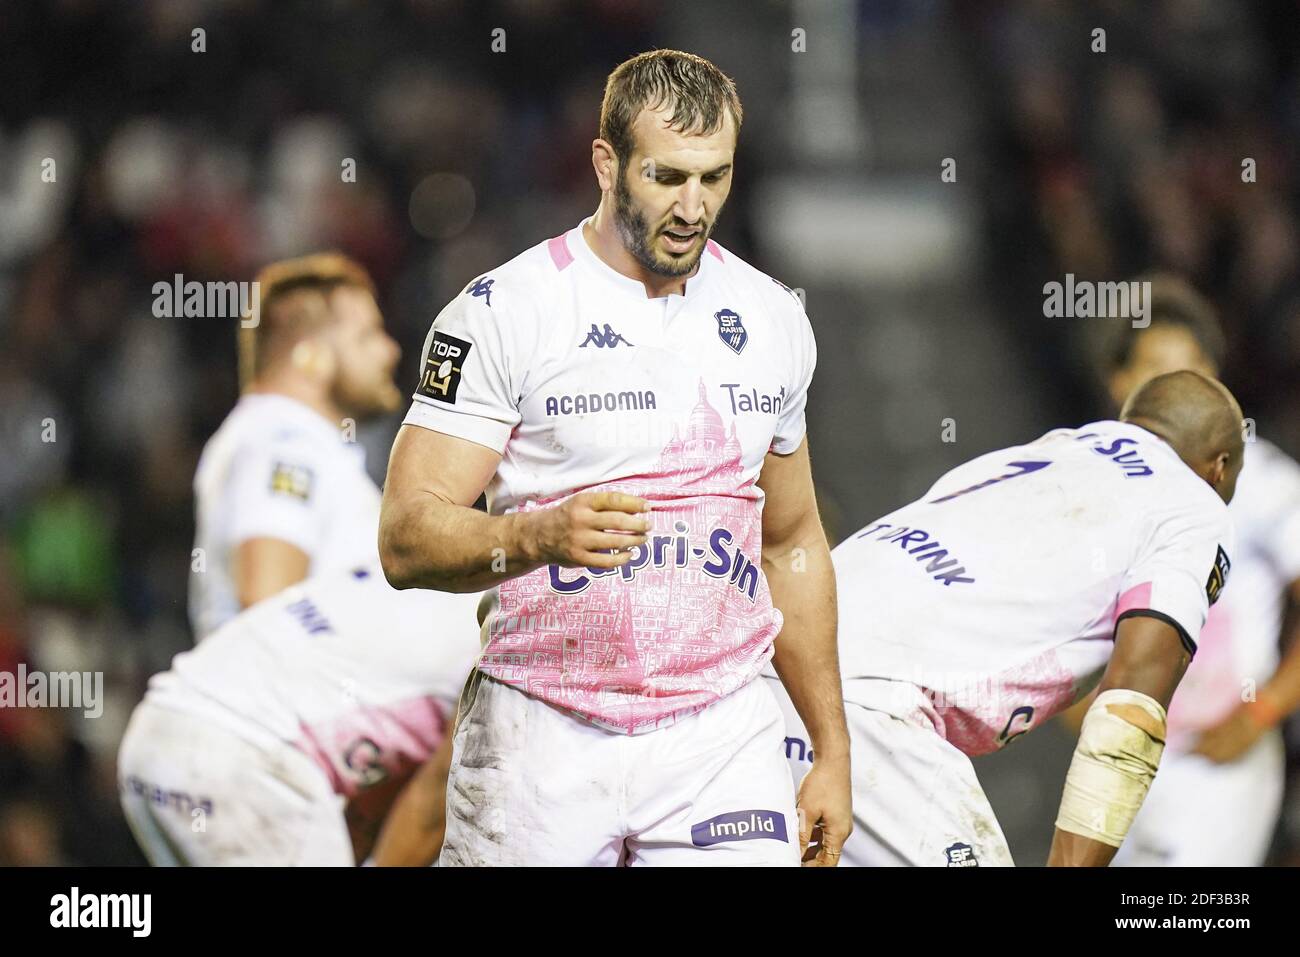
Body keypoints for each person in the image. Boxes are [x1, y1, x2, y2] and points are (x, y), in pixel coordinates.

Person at [379, 49, 851, 866]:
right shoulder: (503, 313)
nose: (693, 207)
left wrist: (831, 749)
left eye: (715, 177)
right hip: (540, 727)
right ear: (607, 163)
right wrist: (538, 537)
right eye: (668, 176)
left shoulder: (773, 319)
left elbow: (792, 540)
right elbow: (405, 537)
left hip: (720, 733)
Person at [769, 370, 1242, 866]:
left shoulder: (1050, 450)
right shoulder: (1194, 505)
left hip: (775, 666)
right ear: (1220, 468)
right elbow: (1128, 716)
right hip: (870, 709)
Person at [1086, 276, 1300, 866]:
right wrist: (1070, 706)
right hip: (1119, 759)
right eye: (1160, 373)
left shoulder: (1261, 481)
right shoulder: (1090, 482)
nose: (1183, 393)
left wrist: (1264, 711)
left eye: (1195, 371)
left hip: (1217, 765)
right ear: (1120, 381)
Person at [118, 563, 482, 865]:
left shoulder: (437, 577)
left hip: (155, 739)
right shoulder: (507, 626)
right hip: (243, 761)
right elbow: (440, 794)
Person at [189, 252, 401, 640]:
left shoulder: (289, 439)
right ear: (310, 356)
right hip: (288, 700)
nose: (390, 350)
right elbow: (267, 604)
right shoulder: (283, 441)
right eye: (367, 335)